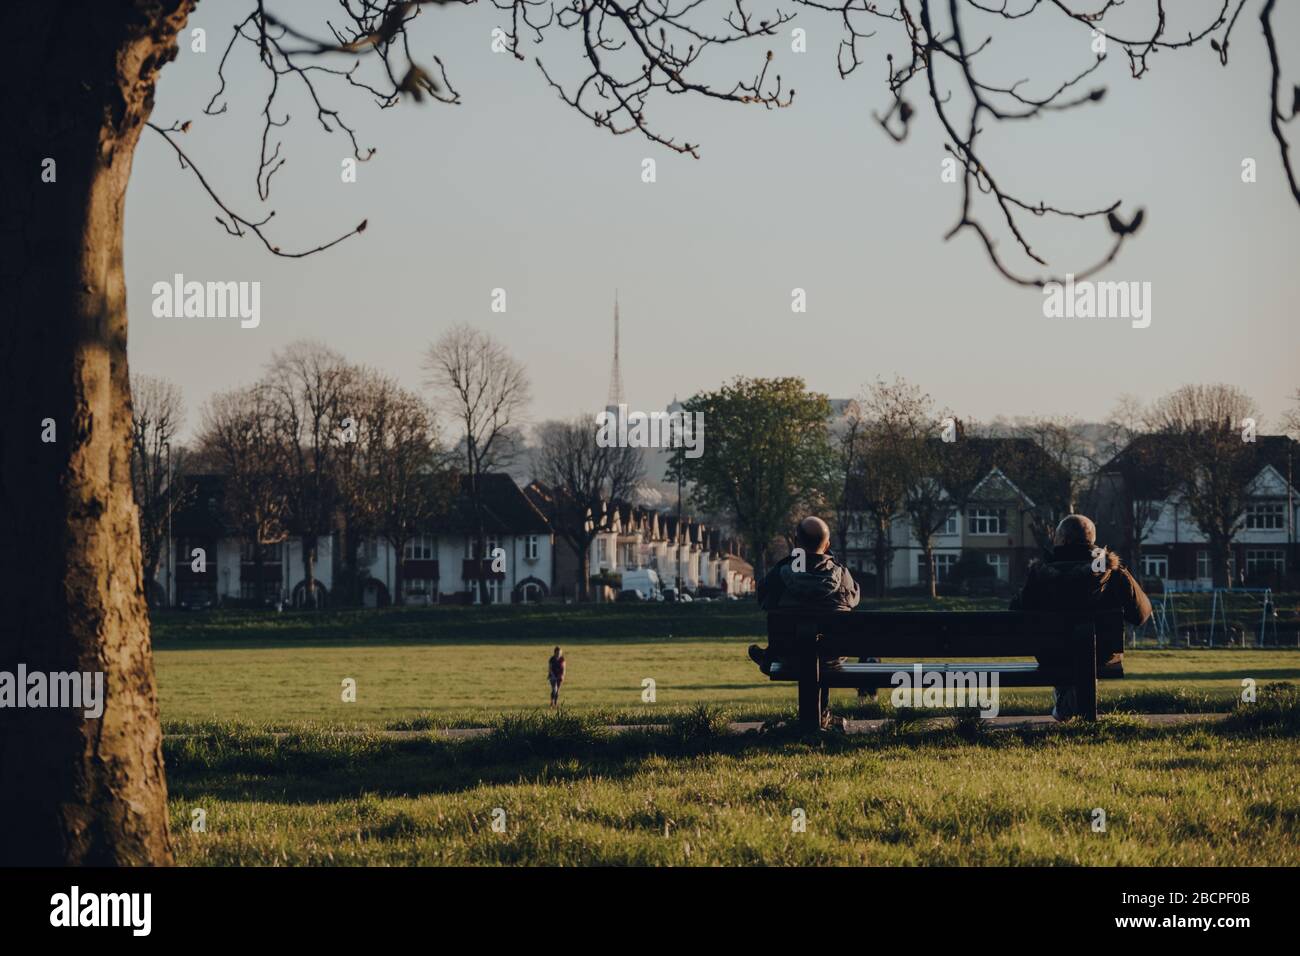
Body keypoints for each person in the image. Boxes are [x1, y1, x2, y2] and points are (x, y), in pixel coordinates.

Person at [1009, 514, 1152, 720]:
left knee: (1060, 647)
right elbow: (1141, 615)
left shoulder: (1039, 575)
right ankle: (1074, 699)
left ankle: (1067, 697)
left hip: (1052, 654)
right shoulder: (1112, 572)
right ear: (1091, 540)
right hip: (1100, 653)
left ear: (1062, 540)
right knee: (1086, 651)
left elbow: (1015, 616)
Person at [748, 516, 861, 727]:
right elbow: (854, 599)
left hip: (790, 655)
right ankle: (821, 715)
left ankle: (768, 656)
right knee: (822, 648)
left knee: (806, 645)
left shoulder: (781, 573)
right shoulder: (842, 575)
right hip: (832, 655)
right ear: (827, 544)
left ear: (795, 542)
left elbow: (764, 600)